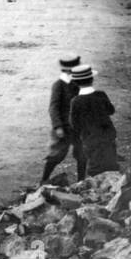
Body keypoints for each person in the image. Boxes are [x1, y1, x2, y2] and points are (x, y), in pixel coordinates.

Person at [68, 64, 119, 179]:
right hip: (107, 136)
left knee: (95, 168)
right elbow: (111, 110)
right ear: (92, 79)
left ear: (75, 83)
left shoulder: (76, 102)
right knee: (111, 163)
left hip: (90, 139)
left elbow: (75, 124)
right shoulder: (101, 95)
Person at [40, 56, 81, 184]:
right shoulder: (58, 85)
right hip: (63, 127)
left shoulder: (79, 85)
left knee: (82, 155)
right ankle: (44, 179)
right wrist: (58, 126)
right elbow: (53, 107)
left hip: (78, 127)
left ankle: (81, 182)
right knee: (56, 155)